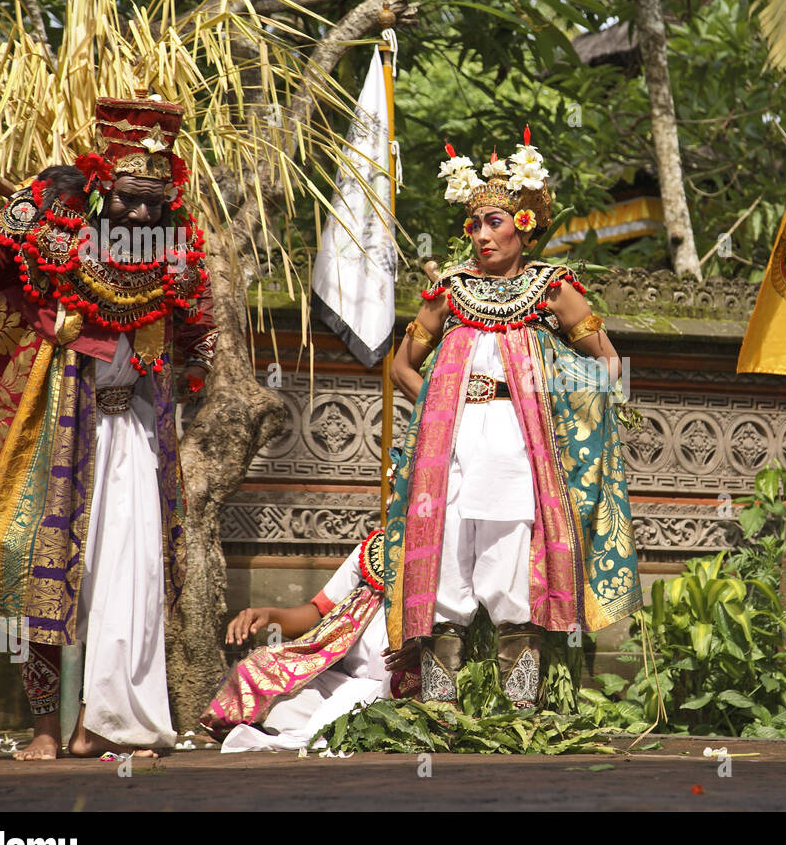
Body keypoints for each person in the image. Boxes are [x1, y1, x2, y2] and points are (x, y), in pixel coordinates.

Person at [0, 94, 217, 759]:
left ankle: (100, 724)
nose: (141, 214)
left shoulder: (173, 252)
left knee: (126, 581)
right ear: (97, 185)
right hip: (53, 427)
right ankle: (45, 729)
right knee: (42, 570)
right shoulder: (47, 219)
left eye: (154, 202)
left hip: (134, 435)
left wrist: (196, 348)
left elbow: (199, 329)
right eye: (127, 199)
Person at [385, 128, 642, 708]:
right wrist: (435, 407)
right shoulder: (448, 292)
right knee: (447, 550)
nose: (482, 235)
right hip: (449, 443)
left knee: (507, 556)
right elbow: (402, 368)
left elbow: (608, 366)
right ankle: (440, 704)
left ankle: (518, 702)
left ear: (523, 224)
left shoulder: (552, 290)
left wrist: (561, 398)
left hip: (515, 443)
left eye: (494, 222)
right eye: (474, 225)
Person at [200, 529, 410, 750]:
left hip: (403, 687)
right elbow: (320, 614)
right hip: (344, 684)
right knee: (272, 680)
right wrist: (269, 615)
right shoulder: (376, 549)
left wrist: (422, 649)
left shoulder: (445, 559)